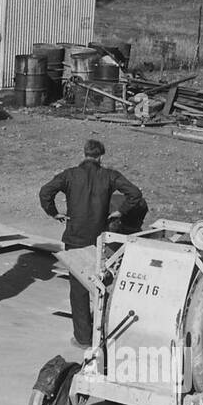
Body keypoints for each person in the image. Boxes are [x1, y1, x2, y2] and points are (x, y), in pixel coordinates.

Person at [38, 139, 144, 348]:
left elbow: (45, 192)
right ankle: (108, 328)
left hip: (75, 237)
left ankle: (84, 338)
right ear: (100, 156)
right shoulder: (109, 175)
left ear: (84, 154)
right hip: (99, 237)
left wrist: (54, 213)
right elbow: (135, 194)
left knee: (78, 289)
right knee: (103, 283)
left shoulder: (69, 175)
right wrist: (119, 211)